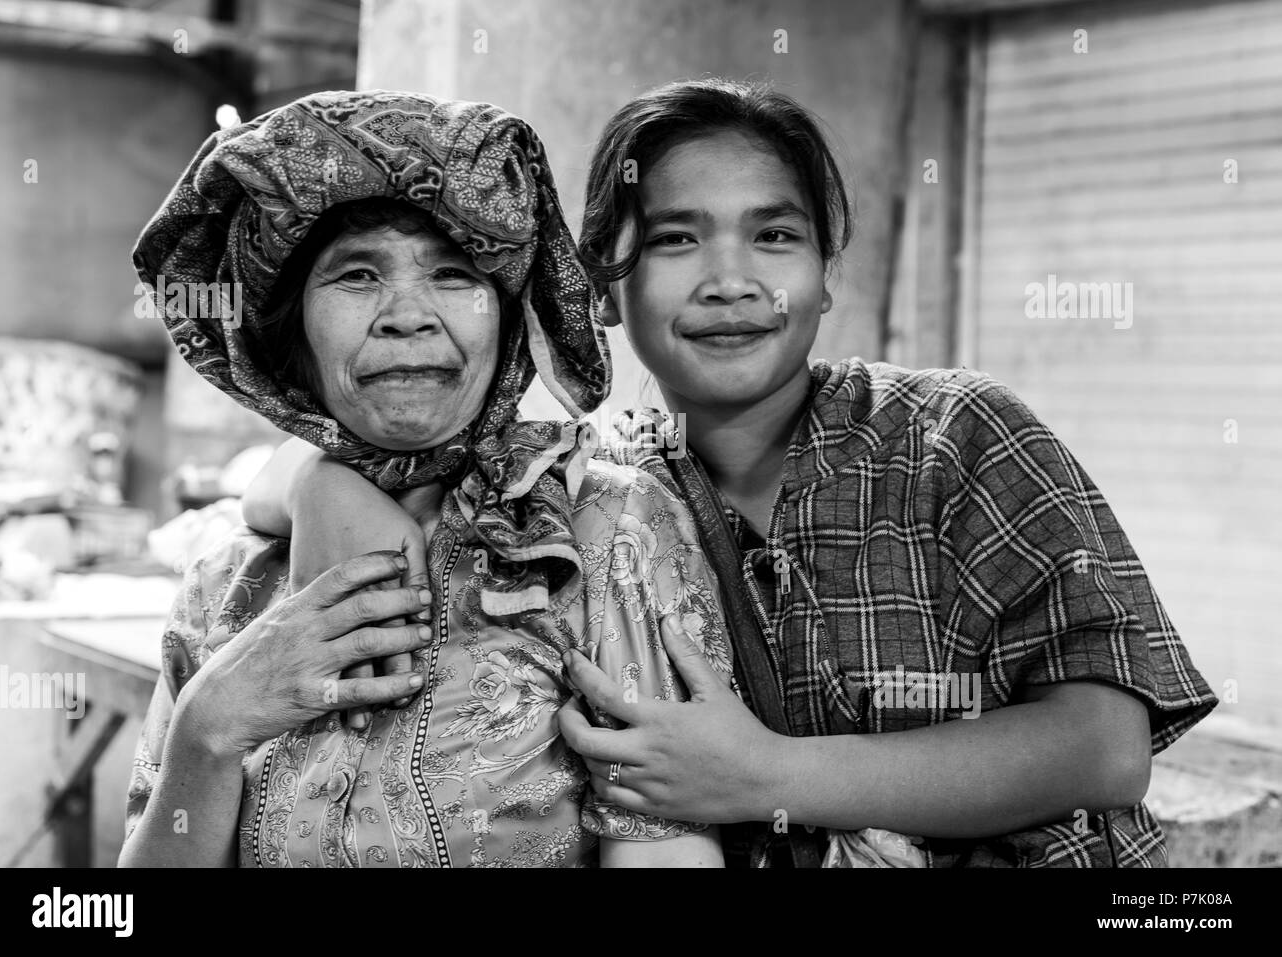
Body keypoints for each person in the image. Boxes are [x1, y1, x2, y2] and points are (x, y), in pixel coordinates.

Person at [244, 80, 1218, 868]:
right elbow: (366, 455)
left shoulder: (954, 435)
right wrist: (316, 485)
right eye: (676, 239)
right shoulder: (607, 482)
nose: (730, 280)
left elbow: (1102, 748)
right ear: (600, 289)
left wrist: (767, 776)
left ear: (826, 271)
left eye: (774, 236)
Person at [118, 90, 732, 868]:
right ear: (292, 336)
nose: (406, 314)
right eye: (355, 276)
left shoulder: (603, 533)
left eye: (454, 274)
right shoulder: (224, 581)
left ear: (506, 321)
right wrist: (206, 732)